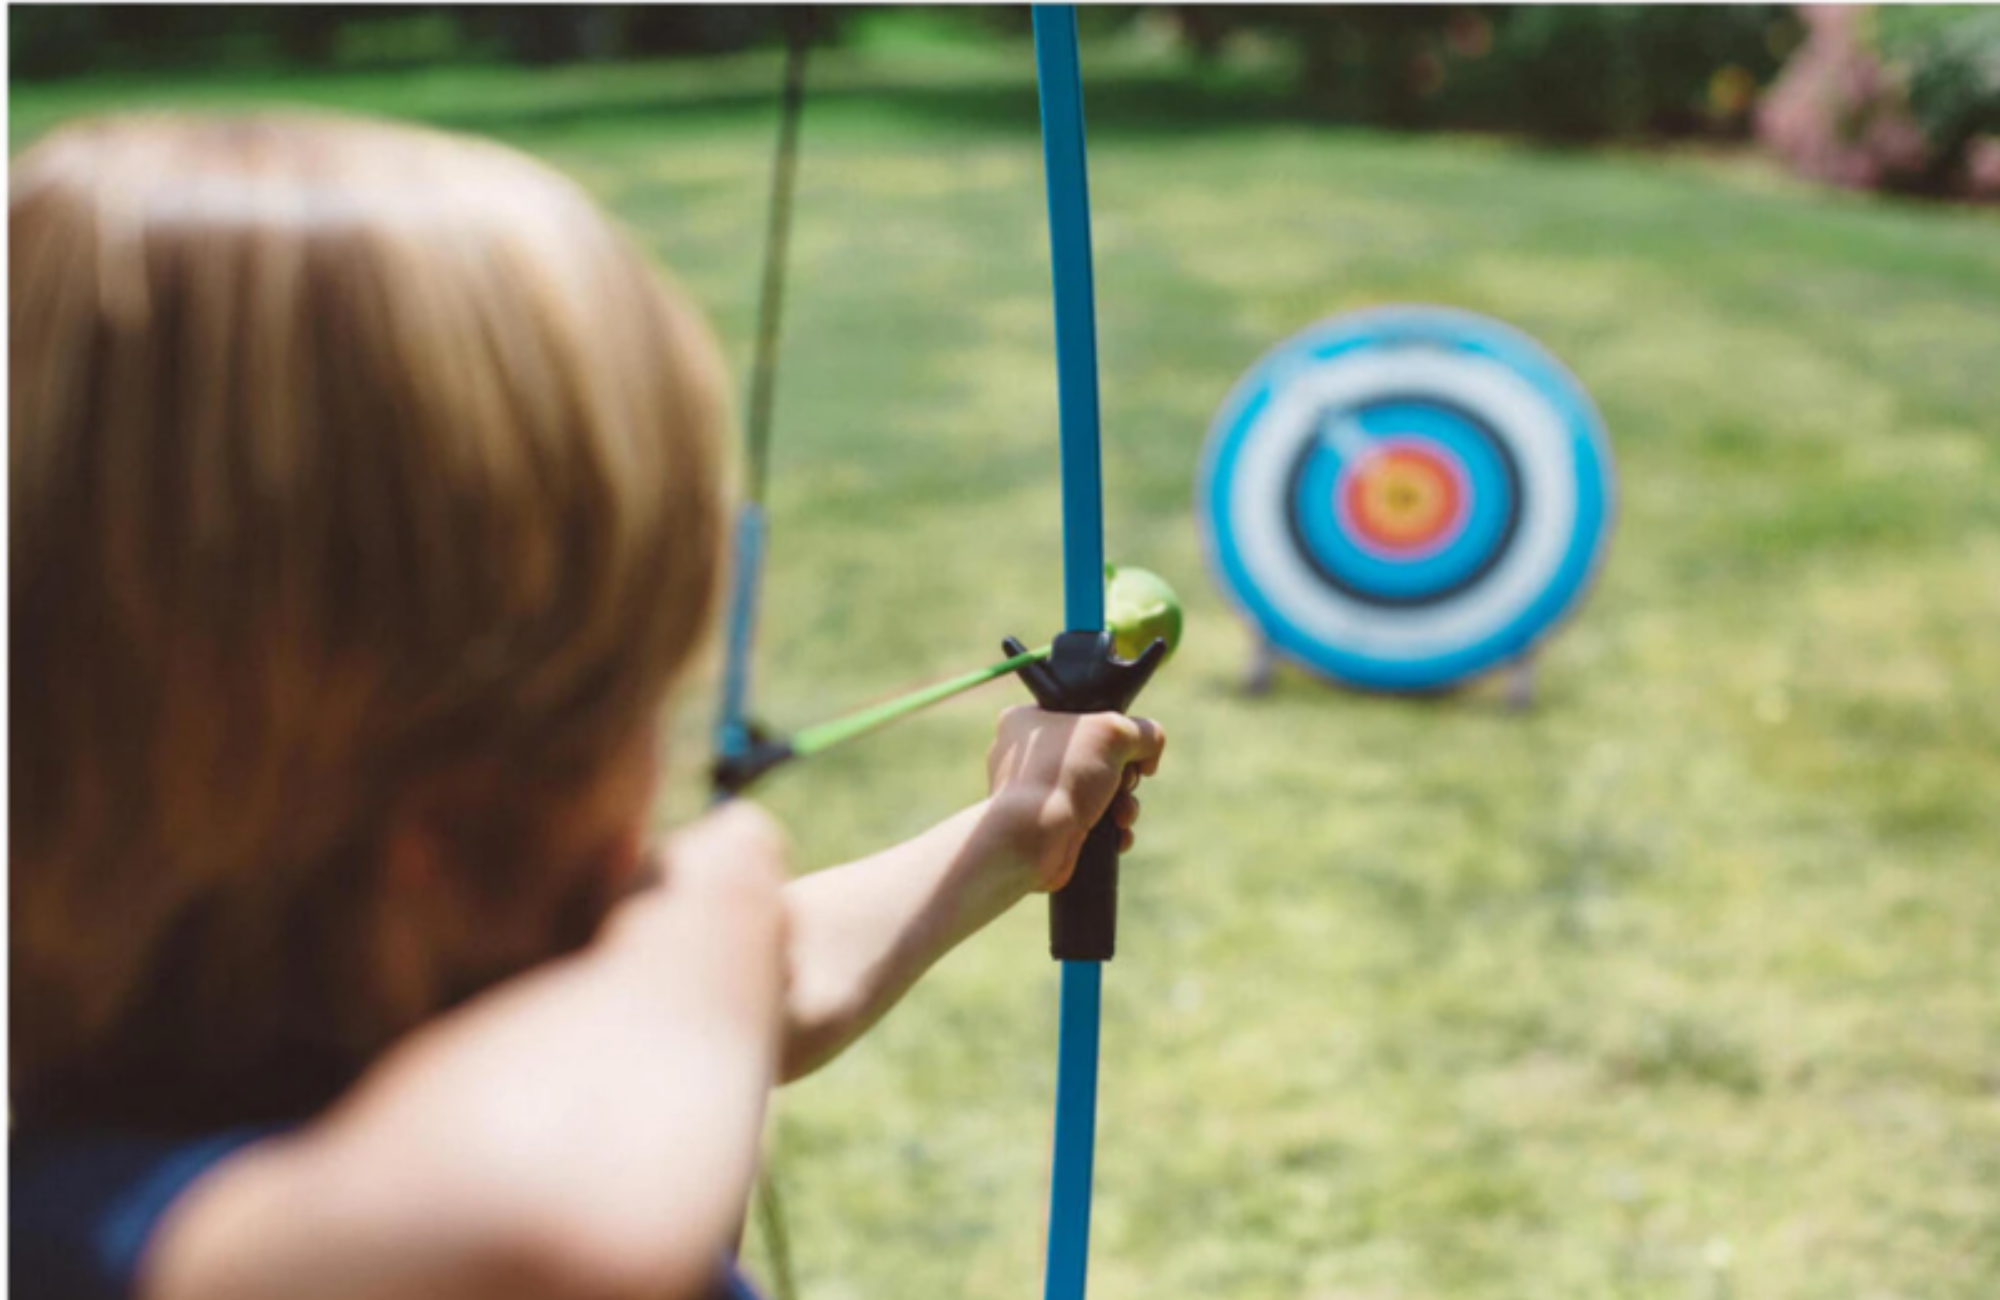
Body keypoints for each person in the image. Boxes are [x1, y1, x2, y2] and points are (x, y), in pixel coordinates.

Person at [10, 113, 1167, 1300]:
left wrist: (1005, 838)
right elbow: (554, 1218)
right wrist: (713, 905)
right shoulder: (100, 1216)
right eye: (631, 694)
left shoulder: (495, 1031)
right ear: (461, 818)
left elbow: (735, 1014)